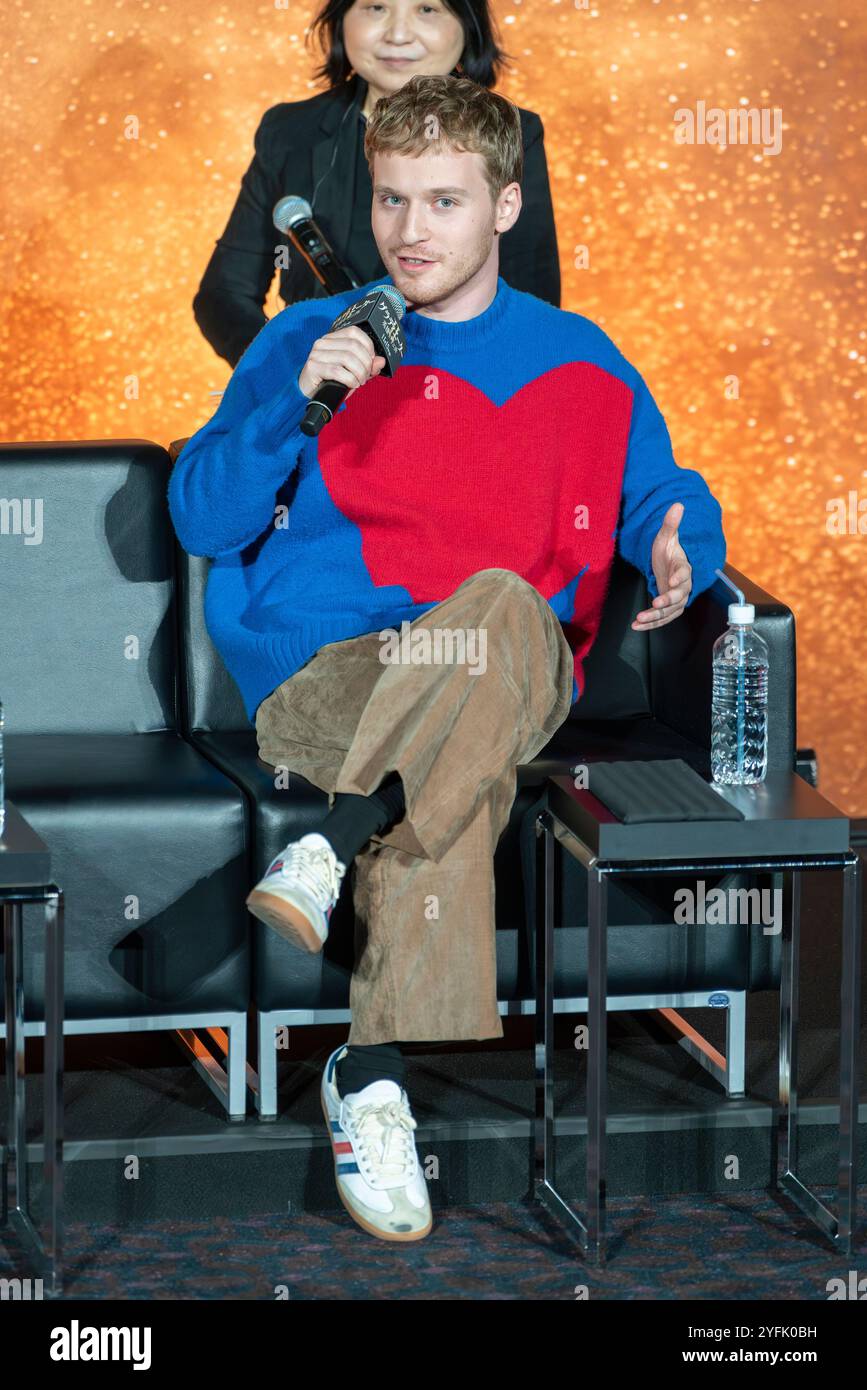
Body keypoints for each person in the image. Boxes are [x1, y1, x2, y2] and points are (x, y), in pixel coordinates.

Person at [168, 73, 727, 1244]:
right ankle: (369, 1069)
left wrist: (683, 540)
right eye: (389, 202)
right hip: (332, 680)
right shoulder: (302, 339)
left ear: (507, 208)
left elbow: (660, 494)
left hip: (504, 659)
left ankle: (334, 859)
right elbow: (203, 521)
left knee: (501, 610)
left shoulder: (581, 358)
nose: (410, 234)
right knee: (468, 729)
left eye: (443, 203)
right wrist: (296, 403)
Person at [193, 0, 560, 367]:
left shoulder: (515, 133)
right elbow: (224, 294)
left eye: (427, 10)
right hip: (322, 402)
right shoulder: (289, 131)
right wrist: (289, 375)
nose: (398, 35)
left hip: (456, 397)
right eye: (375, 7)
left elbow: (533, 307)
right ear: (340, 20)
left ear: (468, 24)